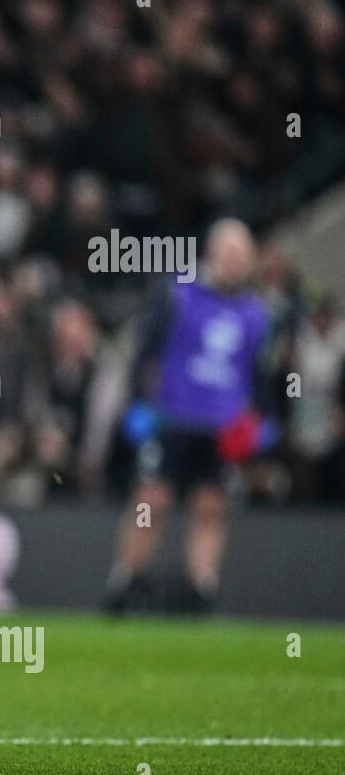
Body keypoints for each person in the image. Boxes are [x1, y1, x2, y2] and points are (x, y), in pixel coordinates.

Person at [106, 218, 272, 614]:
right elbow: (145, 352)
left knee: (210, 506)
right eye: (228, 252)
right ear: (211, 253)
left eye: (241, 254)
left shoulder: (256, 314)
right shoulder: (177, 293)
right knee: (151, 501)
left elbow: (261, 374)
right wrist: (136, 403)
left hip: (223, 427)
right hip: (172, 418)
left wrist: (263, 421)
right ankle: (125, 580)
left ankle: (202, 590)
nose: (234, 262)